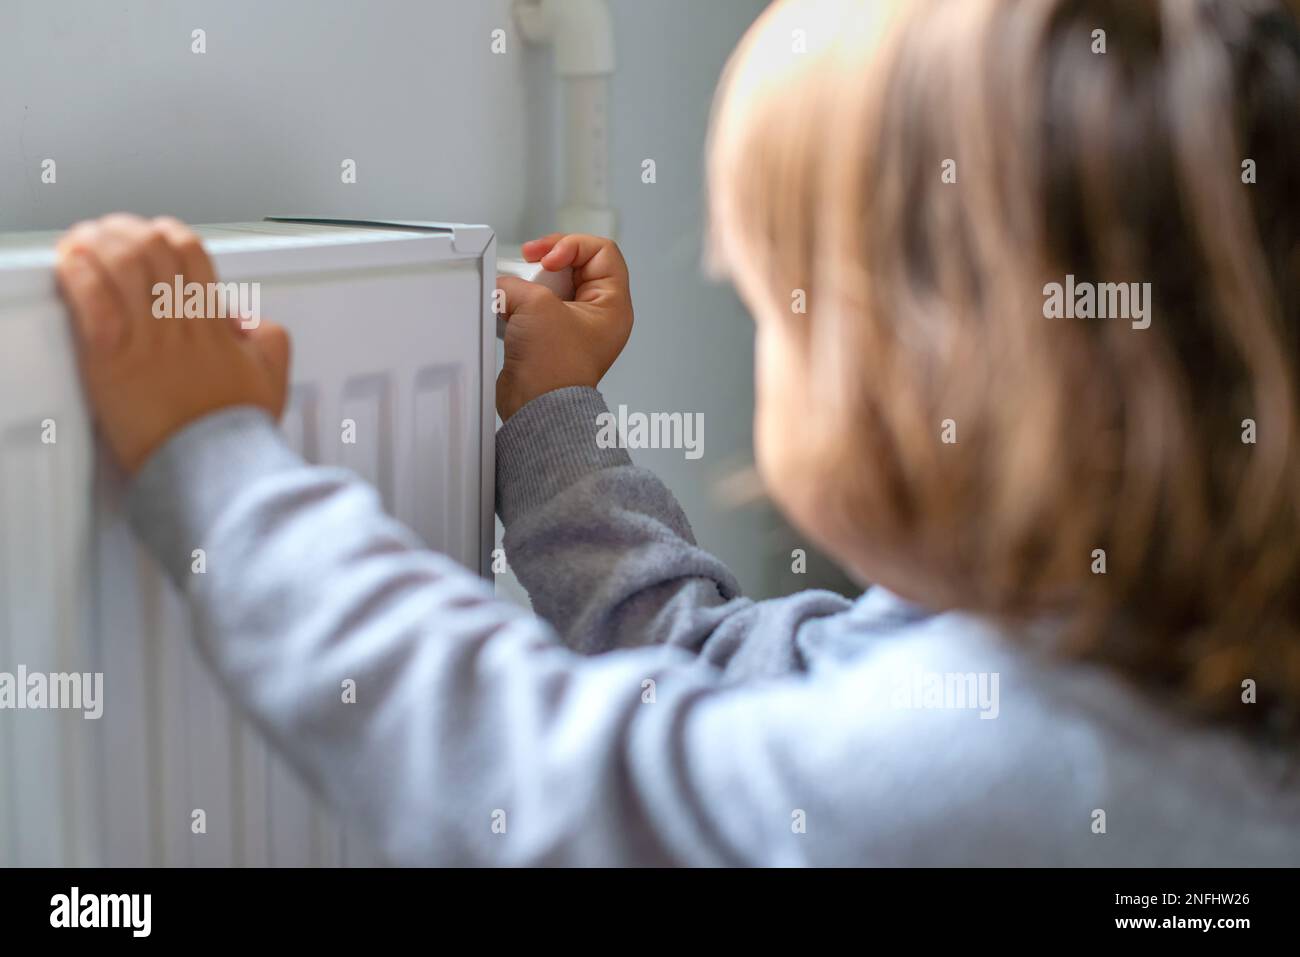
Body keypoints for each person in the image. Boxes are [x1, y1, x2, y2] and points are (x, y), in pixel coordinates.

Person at [54, 0, 1300, 865]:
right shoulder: (1082, 675)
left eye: (775, 311)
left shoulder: (1009, 778)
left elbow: (530, 771)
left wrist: (221, 468)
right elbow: (700, 665)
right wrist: (554, 420)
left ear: (957, 387)